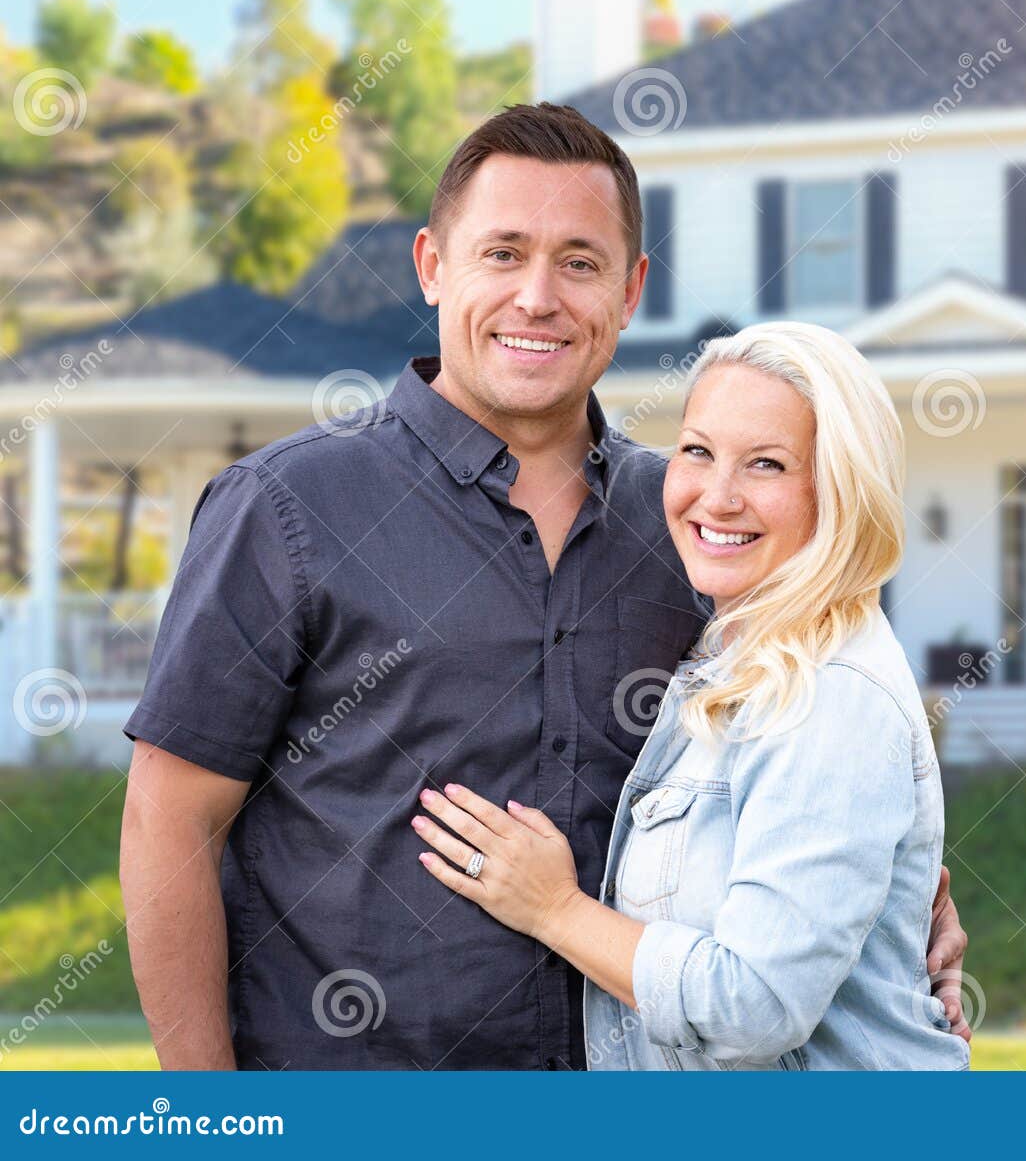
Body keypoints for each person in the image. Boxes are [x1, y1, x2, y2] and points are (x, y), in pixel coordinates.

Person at [118, 103, 969, 1070]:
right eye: (503, 253)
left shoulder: (695, 522)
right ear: (433, 266)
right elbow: (168, 817)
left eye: (578, 260)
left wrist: (895, 905)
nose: (537, 296)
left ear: (631, 287)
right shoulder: (287, 507)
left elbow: (802, 767)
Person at [410, 322, 971, 1069]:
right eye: (698, 451)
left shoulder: (830, 693)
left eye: (767, 464)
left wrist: (553, 908)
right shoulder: (735, 652)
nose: (718, 495)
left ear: (840, 486)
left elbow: (756, 1006)